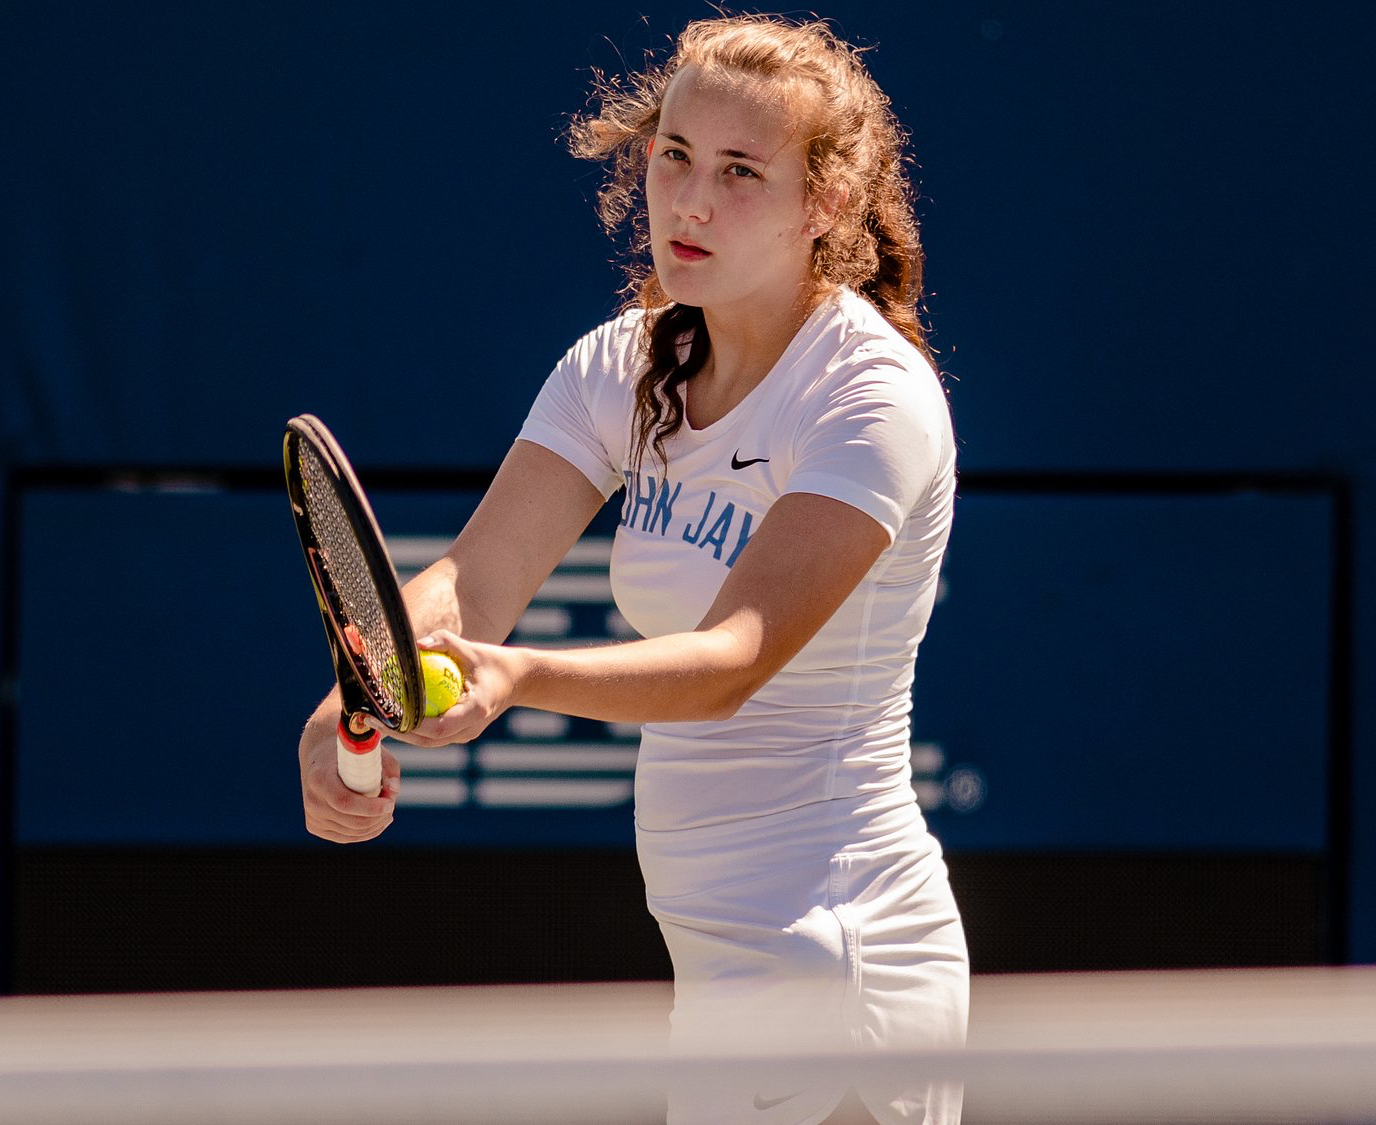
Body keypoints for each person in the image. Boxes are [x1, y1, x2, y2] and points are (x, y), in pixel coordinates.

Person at [297, 15, 966, 1124]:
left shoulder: (870, 397)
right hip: (716, 965)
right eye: (675, 156)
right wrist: (357, 686)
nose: (690, 202)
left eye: (741, 172)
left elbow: (730, 661)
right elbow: (473, 578)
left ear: (826, 203)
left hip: (840, 961)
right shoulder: (620, 366)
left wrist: (516, 676)